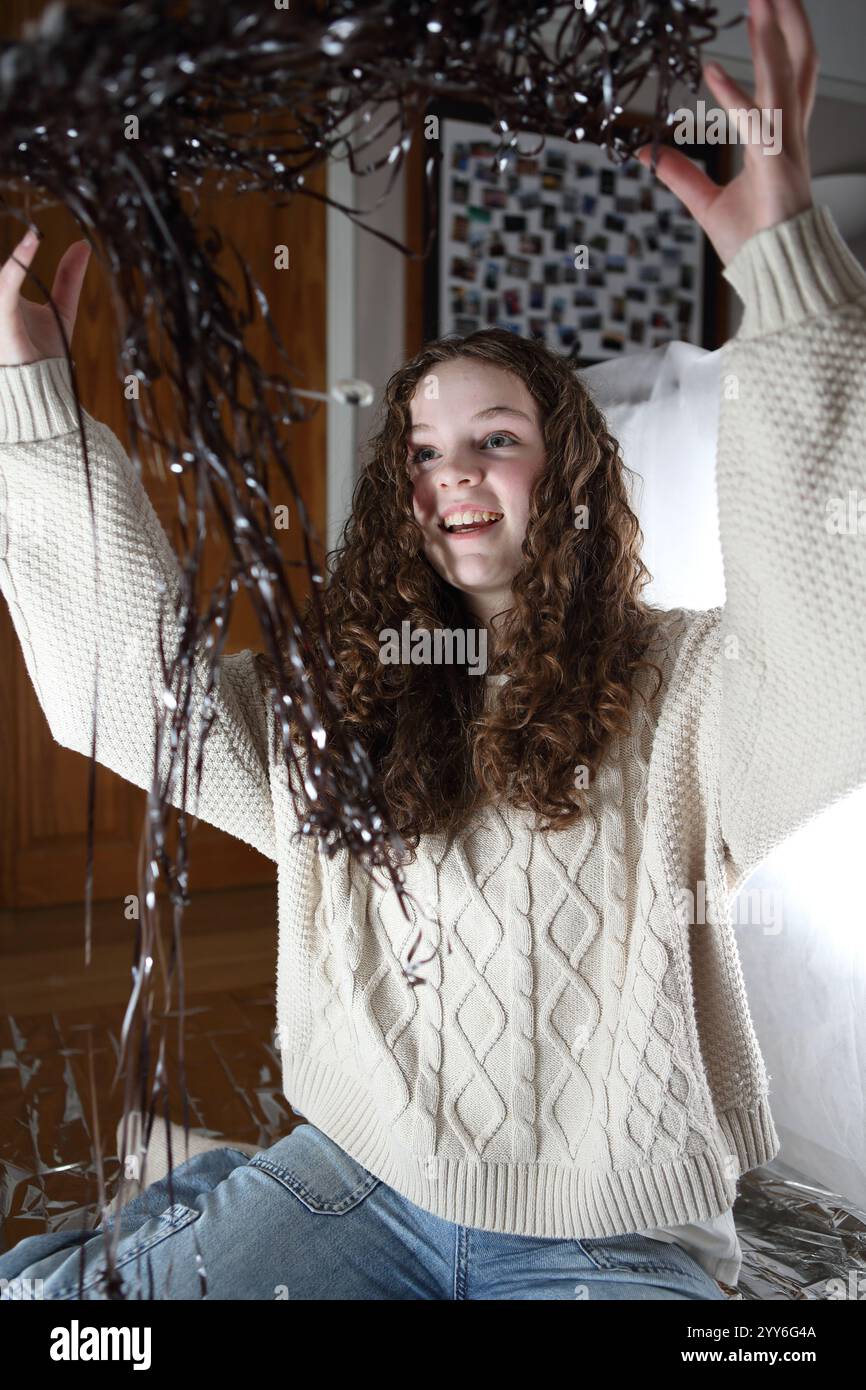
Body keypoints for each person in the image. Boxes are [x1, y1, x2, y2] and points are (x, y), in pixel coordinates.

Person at [1, 0, 863, 1300]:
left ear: (565, 470)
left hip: (611, 1227)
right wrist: (33, 416)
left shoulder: (681, 691)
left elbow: (830, 649)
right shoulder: (339, 701)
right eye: (419, 451)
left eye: (495, 438)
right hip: (355, 1180)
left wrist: (787, 272)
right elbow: (134, 697)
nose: (451, 474)